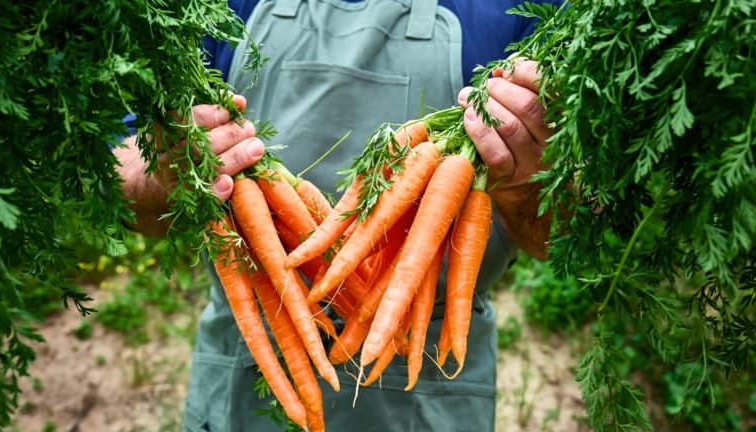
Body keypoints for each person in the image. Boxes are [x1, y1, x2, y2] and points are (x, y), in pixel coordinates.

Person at [115, 0, 561, 430]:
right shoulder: (196, 9)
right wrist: (166, 176)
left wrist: (526, 184)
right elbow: (119, 186)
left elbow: (556, 238)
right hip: (244, 372)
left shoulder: (526, 10)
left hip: (429, 381)